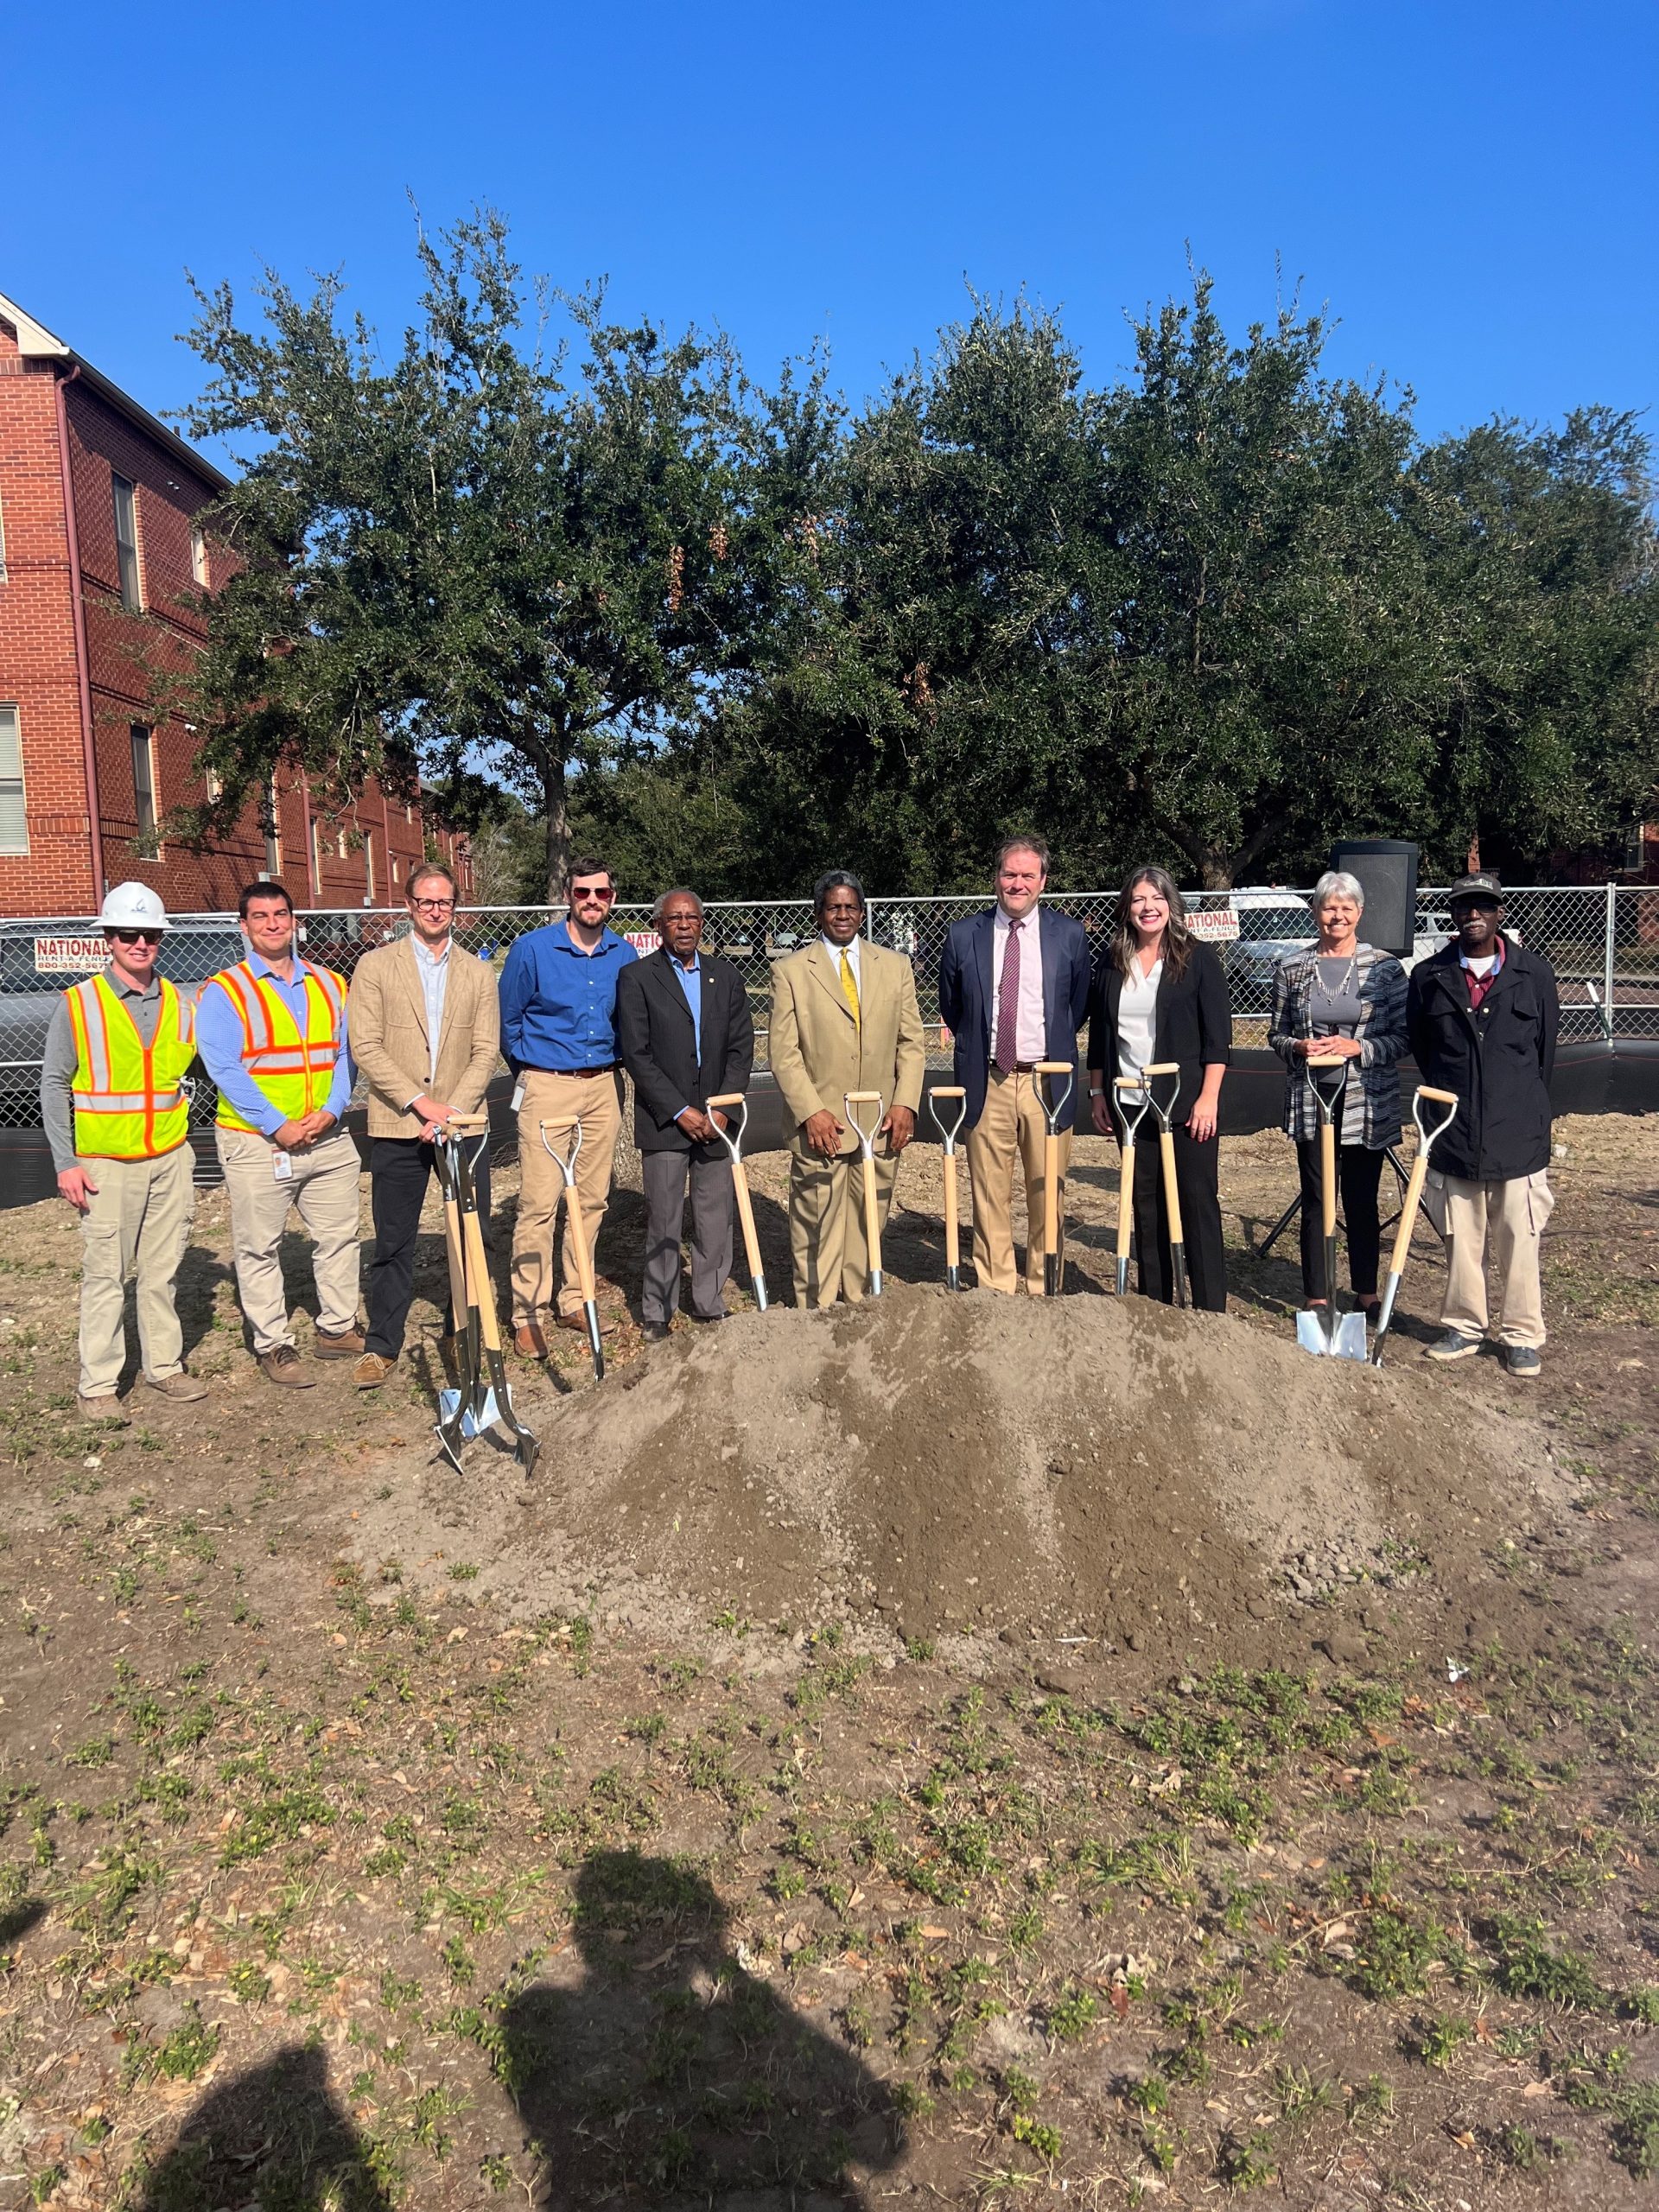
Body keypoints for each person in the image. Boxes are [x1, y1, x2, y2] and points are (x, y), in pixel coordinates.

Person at [40, 882, 207, 1420]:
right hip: (105, 1166)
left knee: (161, 1271)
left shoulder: (181, 1004)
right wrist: (66, 1162)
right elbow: (53, 1084)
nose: (140, 943)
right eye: (128, 934)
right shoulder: (79, 1004)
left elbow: (205, 1068)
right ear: (109, 939)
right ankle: (98, 1385)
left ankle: (164, 1367)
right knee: (106, 1277)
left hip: (169, 1158)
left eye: (150, 935)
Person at [196, 881, 362, 1388]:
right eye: (261, 916)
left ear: (294, 921)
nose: (273, 924)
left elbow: (345, 1053)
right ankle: (273, 1343)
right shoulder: (224, 991)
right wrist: (277, 1124)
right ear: (244, 926)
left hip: (326, 1135)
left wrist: (333, 1109)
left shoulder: (331, 984)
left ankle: (337, 1327)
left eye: (281, 914)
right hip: (258, 1141)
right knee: (259, 1247)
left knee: (339, 1236)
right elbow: (225, 1068)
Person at [346, 861, 502, 1389]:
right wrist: (420, 1104)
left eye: (445, 902)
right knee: (394, 1239)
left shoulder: (478, 973)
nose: (436, 910)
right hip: (399, 1124)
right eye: (426, 901)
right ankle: (382, 1345)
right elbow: (366, 1045)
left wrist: (450, 1110)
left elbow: (486, 1050)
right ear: (410, 905)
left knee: (471, 1233)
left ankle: (466, 1331)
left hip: (462, 1126)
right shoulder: (375, 966)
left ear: (456, 908)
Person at [1406, 870, 1559, 1377]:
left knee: (1519, 1237)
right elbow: (1424, 1051)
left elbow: (1544, 1056)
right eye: (1464, 906)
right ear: (1453, 913)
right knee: (1461, 1237)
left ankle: (1521, 1334)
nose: (1473, 915)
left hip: (1518, 1132)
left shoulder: (1534, 975)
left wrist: (1516, 1103)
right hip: (1454, 1130)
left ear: (1499, 913)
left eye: (1483, 906)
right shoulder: (1428, 977)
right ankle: (1464, 1326)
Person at [936, 836, 1092, 1294]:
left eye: (1027, 875)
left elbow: (1076, 1005)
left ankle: (1045, 1285)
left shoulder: (1069, 935)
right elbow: (953, 1006)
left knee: (1048, 1190)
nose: (1017, 883)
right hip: (989, 1080)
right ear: (996, 878)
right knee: (989, 1191)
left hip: (1048, 1082)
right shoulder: (964, 935)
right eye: (1009, 874)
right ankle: (997, 1287)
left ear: (1043, 881)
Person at [499, 856, 638, 1354]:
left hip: (603, 1086)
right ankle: (528, 1312)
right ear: (568, 895)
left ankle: (576, 1296)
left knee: (591, 1199)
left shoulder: (623, 954)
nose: (592, 901)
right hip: (547, 1084)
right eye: (583, 892)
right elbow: (509, 1023)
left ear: (612, 898)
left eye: (601, 893)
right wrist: (534, 1073)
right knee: (539, 1202)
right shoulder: (532, 950)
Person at [769, 871, 925, 1306]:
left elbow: (912, 1044)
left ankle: (859, 1304)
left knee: (868, 1220)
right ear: (819, 913)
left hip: (880, 1123)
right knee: (816, 1225)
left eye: (851, 907)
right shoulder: (791, 971)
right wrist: (811, 1111)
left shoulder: (894, 966)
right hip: (823, 1126)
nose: (843, 915)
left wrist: (904, 1104)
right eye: (834, 907)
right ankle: (816, 1310)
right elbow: (784, 1053)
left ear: (862, 912)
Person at [1087, 864, 1230, 1311]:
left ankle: (1210, 1310)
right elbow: (1101, 1034)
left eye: (1156, 898)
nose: (1148, 908)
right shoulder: (1113, 962)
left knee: (1196, 1202)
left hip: (1186, 1106)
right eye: (1138, 900)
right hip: (1130, 1103)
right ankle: (1155, 1306)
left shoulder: (1198, 959)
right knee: (1146, 1206)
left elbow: (1217, 1039)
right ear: (1126, 909)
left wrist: (1208, 1099)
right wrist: (1097, 1092)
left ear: (1171, 904)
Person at [615, 888, 755, 1339]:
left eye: (692, 918)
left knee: (715, 1215)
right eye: (674, 918)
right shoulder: (637, 978)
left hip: (718, 1121)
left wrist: (723, 1108)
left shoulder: (725, 976)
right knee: (664, 1216)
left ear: (702, 923)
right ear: (658, 925)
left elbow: (741, 1048)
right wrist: (679, 1110)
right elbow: (636, 1054)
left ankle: (710, 1301)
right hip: (665, 1120)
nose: (684, 925)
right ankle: (658, 1309)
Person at [1268, 869, 1408, 1320]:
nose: (1338, 916)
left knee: (1361, 1198)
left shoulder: (1385, 969)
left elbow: (1403, 1038)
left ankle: (1365, 1291)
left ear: (1360, 913)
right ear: (1316, 912)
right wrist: (1298, 1047)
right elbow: (1276, 1035)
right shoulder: (1292, 968)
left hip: (1367, 1102)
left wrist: (1358, 1048)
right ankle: (1317, 1295)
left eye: (1347, 908)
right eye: (1330, 907)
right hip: (1313, 1099)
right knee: (1317, 1196)